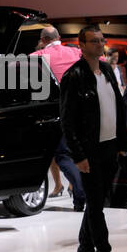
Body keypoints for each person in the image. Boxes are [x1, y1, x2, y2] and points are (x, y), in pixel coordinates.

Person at [59, 25, 127, 252]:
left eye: (101, 40)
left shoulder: (107, 71)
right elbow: (67, 121)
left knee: (97, 201)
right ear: (82, 45)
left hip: (110, 146)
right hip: (89, 150)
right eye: (94, 41)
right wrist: (78, 155)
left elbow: (118, 108)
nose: (100, 44)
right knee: (96, 204)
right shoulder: (74, 76)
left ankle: (84, 248)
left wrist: (122, 144)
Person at [32, 26, 86, 208]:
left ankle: (81, 194)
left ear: (43, 40)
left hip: (59, 113)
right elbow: (101, 60)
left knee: (63, 156)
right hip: (83, 111)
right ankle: (81, 197)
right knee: (81, 153)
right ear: (59, 37)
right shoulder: (76, 52)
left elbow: (10, 69)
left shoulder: (37, 57)